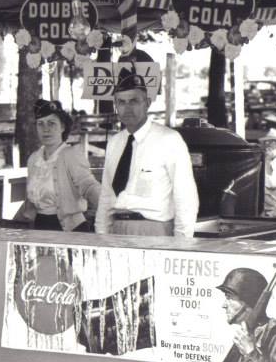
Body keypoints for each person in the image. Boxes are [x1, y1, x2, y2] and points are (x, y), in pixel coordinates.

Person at [94, 69, 198, 237]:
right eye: (121, 102)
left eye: (134, 101)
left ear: (147, 102)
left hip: (154, 230)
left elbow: (185, 197)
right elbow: (106, 195)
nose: (127, 108)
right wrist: (101, 235)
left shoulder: (169, 139)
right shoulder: (114, 143)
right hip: (117, 229)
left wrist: (181, 245)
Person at [15, 99, 100, 231]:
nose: (46, 129)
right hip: (40, 228)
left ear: (63, 127)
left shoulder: (71, 155)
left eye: (52, 123)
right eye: (40, 124)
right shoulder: (34, 159)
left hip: (71, 230)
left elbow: (89, 186)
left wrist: (108, 210)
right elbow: (31, 202)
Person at [216, 267, 276, 362]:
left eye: (229, 297)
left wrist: (251, 353)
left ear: (246, 299)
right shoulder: (245, 335)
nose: (224, 305)